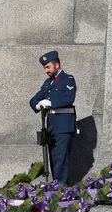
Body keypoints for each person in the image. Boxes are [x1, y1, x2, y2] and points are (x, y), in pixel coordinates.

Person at [29, 50, 77, 185]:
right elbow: (34, 100)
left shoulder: (68, 79)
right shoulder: (47, 83)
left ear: (56, 65)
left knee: (60, 159)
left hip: (64, 125)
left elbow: (69, 98)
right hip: (51, 126)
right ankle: (57, 187)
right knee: (53, 159)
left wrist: (51, 103)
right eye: (44, 68)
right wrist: (37, 105)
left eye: (48, 67)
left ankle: (61, 189)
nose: (46, 70)